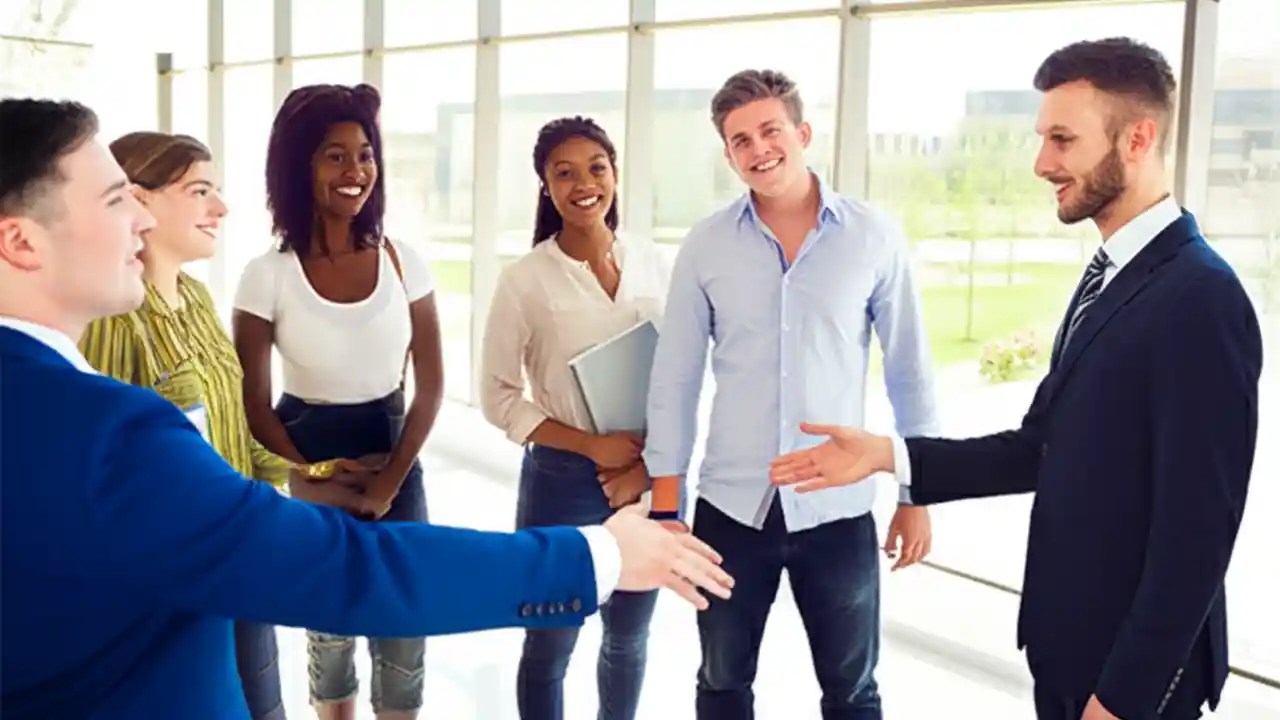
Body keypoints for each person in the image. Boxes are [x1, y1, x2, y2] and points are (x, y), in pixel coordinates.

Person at [0, 96, 734, 720]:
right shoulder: (109, 433)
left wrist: (312, 472)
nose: (140, 221)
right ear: (21, 242)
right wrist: (600, 553)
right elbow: (349, 571)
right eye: (114, 198)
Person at [770, 38, 1262, 720]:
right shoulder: (1108, 275)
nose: (1041, 163)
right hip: (1069, 651)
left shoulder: (1201, 298)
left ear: (1138, 138)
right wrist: (888, 456)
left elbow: (1198, 533)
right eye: (1042, 138)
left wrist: (1122, 700)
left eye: (1063, 139)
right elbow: (1041, 445)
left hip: (1128, 683)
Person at [643, 69, 940, 719]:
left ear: (802, 133)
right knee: (721, 683)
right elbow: (676, 377)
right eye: (740, 140)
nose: (758, 149)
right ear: (729, 155)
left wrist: (919, 494)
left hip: (836, 513)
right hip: (729, 512)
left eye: (770, 130)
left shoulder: (873, 237)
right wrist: (667, 505)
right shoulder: (707, 244)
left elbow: (911, 371)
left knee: (853, 692)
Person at [78, 131, 317, 720]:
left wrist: (311, 476)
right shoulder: (116, 321)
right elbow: (102, 473)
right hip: (177, 580)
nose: (222, 208)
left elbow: (232, 434)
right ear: (139, 201)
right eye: (200, 191)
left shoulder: (198, 300)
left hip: (240, 556)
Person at [231, 83, 440, 720]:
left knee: (404, 622)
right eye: (334, 156)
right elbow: (255, 405)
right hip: (306, 453)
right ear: (299, 165)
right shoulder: (266, 274)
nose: (356, 172)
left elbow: (430, 386)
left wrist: (387, 484)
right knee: (328, 625)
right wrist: (315, 475)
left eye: (365, 154)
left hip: (394, 456)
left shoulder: (404, 260)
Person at [480, 116, 667, 720]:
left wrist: (647, 463)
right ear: (545, 186)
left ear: (615, 173)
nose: (583, 184)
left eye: (596, 168)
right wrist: (592, 447)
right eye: (564, 173)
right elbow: (499, 395)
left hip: (647, 474)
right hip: (564, 480)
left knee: (630, 636)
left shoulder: (653, 260)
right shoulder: (525, 281)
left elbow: (683, 367)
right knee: (551, 645)